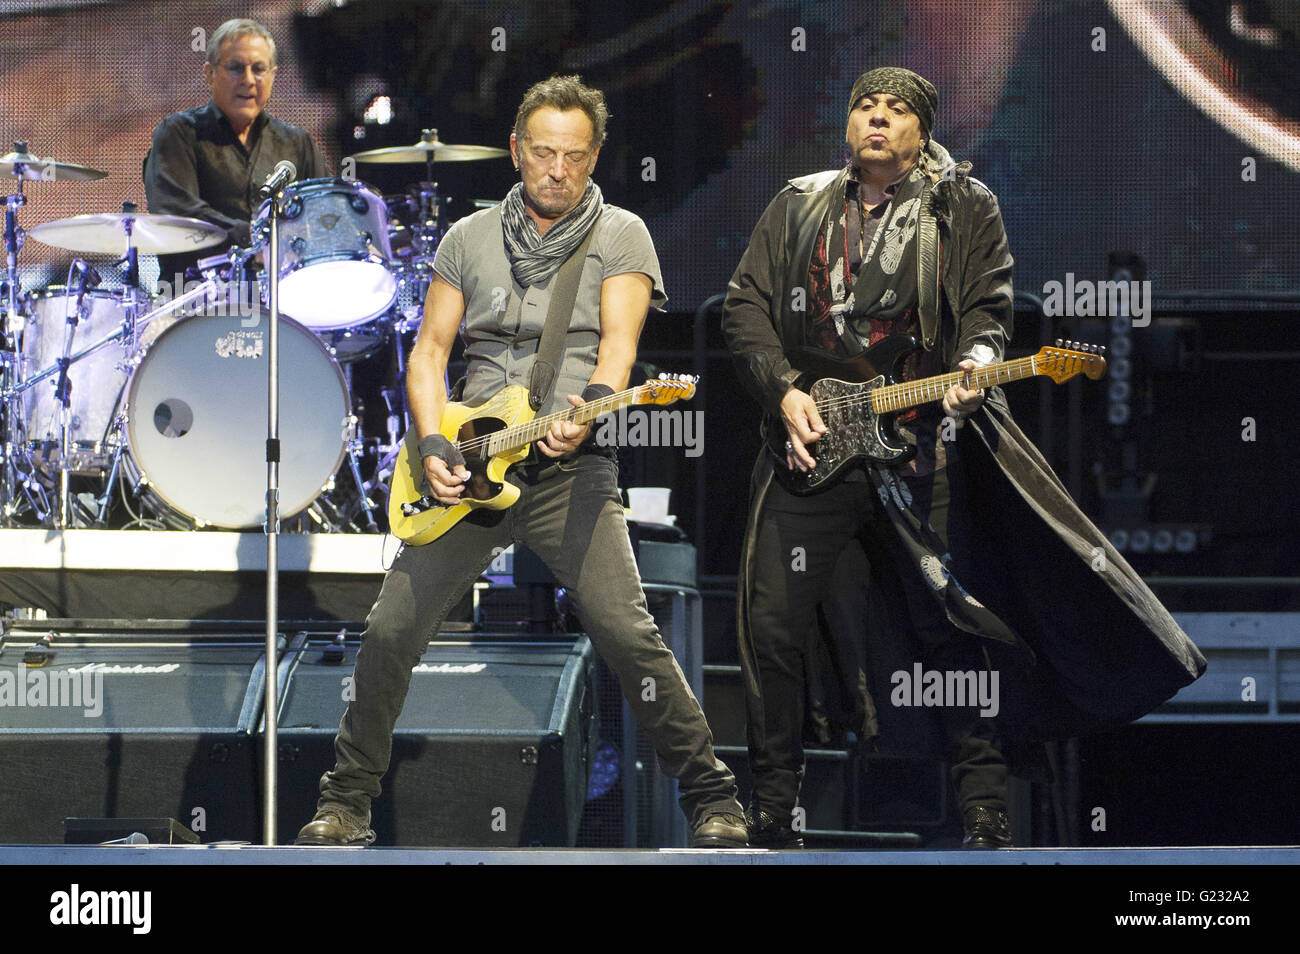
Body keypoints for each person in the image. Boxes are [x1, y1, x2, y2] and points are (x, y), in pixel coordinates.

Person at [722, 67, 1206, 849]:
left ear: (923, 132)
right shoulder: (798, 202)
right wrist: (783, 391)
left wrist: (980, 359)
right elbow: (746, 307)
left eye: (896, 110)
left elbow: (988, 305)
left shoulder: (963, 204)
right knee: (771, 623)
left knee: (953, 623)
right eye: (865, 107)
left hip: (920, 444)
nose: (877, 118)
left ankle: (985, 810)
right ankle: (772, 808)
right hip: (809, 444)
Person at [296, 75, 748, 849]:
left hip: (567, 468)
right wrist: (435, 442)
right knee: (390, 628)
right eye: (543, 153)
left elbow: (618, 347)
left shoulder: (622, 234)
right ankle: (346, 804)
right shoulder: (466, 240)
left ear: (595, 156)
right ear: (516, 151)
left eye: (575, 156)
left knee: (629, 634)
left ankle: (714, 798)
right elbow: (430, 352)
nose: (558, 170)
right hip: (468, 468)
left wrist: (592, 406)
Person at [143, 17, 324, 281]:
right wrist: (261, 238)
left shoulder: (298, 142)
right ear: (210, 74)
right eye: (236, 68)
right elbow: (180, 214)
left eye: (259, 69)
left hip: (284, 298)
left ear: (273, 76)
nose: (249, 80)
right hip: (198, 301)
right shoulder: (178, 133)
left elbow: (322, 210)